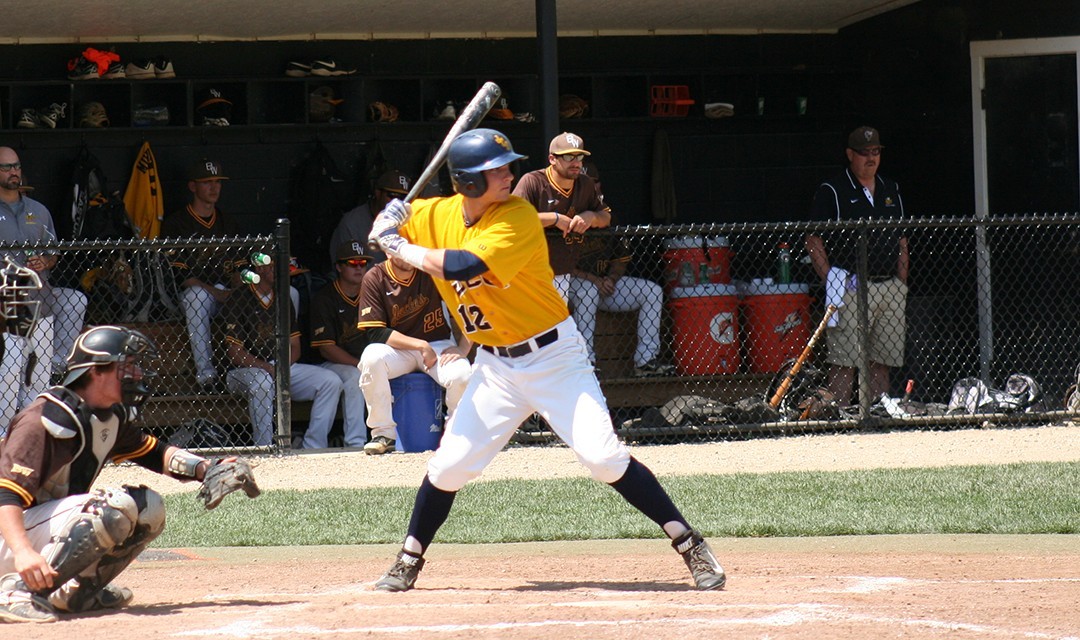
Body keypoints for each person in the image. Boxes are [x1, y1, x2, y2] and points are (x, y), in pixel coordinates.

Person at [367, 128, 725, 592]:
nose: (509, 175)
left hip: (554, 356)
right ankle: (408, 558)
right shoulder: (435, 212)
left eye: (508, 167)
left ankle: (688, 541)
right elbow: (405, 218)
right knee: (449, 466)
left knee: (603, 458)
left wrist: (394, 243)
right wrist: (392, 217)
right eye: (496, 170)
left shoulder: (515, 216)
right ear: (467, 182)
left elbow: (460, 265)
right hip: (496, 368)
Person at [0, 325, 220, 622]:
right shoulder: (43, 420)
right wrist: (23, 552)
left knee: (148, 508)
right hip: (10, 537)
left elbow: (154, 452)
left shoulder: (106, 416)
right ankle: (18, 591)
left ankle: (78, 591)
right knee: (112, 507)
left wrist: (207, 469)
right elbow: (5, 493)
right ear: (95, 372)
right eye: (126, 366)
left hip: (30, 532)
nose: (137, 374)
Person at [805, 126, 908, 406]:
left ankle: (878, 412)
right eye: (864, 153)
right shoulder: (833, 190)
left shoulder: (891, 188)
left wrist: (901, 281)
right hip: (848, 285)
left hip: (887, 284)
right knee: (845, 359)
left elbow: (901, 239)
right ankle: (838, 416)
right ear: (850, 154)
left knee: (881, 359)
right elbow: (813, 239)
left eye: (876, 152)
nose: (871, 158)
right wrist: (831, 279)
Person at [356, 254, 473, 456]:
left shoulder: (432, 270)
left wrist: (462, 349)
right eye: (398, 248)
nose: (405, 253)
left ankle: (455, 433)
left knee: (462, 375)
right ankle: (383, 433)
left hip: (438, 344)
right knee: (371, 357)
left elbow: (472, 308)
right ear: (387, 251)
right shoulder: (375, 277)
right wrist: (420, 346)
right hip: (398, 350)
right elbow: (375, 332)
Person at [221, 256, 343, 448]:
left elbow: (295, 346)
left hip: (276, 366)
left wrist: (280, 367)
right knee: (262, 382)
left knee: (330, 382)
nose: (283, 273)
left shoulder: (283, 297)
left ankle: (314, 446)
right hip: (242, 372)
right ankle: (265, 446)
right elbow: (234, 353)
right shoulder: (239, 297)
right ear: (261, 270)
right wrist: (267, 367)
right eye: (275, 268)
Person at [564, 163, 672, 377]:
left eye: (591, 183)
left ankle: (646, 361)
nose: (587, 187)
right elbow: (560, 264)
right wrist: (595, 280)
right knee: (589, 291)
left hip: (604, 287)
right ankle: (586, 361)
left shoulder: (607, 215)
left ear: (598, 185)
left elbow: (621, 258)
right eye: (581, 183)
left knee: (652, 292)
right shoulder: (566, 214)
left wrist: (611, 278)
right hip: (572, 286)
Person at [0, 147, 88, 383]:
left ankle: (57, 366)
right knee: (11, 374)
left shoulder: (38, 210)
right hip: (5, 298)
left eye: (16, 166)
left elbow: (53, 254)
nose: (13, 172)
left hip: (40, 293)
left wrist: (44, 262)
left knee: (76, 300)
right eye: (6, 167)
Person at [160, 158, 234, 389]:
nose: (214, 188)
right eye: (207, 182)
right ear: (193, 187)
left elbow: (239, 268)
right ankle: (207, 375)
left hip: (224, 293)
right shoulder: (176, 224)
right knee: (196, 296)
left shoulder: (228, 222)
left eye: (217, 182)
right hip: (193, 297)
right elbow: (182, 278)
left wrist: (239, 290)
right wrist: (217, 294)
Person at [511, 132, 611, 301]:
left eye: (579, 156)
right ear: (552, 159)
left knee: (555, 325)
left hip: (561, 272)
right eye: (568, 156)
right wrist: (554, 219)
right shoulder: (533, 181)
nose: (576, 162)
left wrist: (590, 216)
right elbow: (512, 220)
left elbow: (606, 217)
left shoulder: (585, 183)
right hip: (528, 273)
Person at [308, 241, 373, 448]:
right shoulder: (325, 298)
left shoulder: (372, 293)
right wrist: (359, 364)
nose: (359, 267)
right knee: (355, 376)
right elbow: (326, 348)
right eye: (352, 263)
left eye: (362, 263)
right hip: (327, 365)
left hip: (365, 361)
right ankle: (355, 442)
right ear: (339, 267)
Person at [328, 169, 413, 267]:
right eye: (392, 195)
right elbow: (345, 269)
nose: (396, 202)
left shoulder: (411, 220)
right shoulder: (352, 222)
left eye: (403, 198)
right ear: (378, 193)